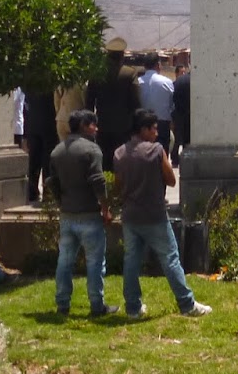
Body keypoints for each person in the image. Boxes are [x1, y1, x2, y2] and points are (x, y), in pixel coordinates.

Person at [115, 109, 211, 318]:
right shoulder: (156, 151)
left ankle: (133, 307)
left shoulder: (119, 153)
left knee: (131, 261)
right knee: (170, 258)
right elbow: (171, 180)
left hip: (130, 215)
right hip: (154, 214)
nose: (156, 134)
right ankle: (187, 304)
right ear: (144, 130)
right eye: (154, 129)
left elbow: (118, 185)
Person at [47, 109, 115, 316]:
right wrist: (105, 207)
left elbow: (52, 182)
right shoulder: (92, 150)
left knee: (64, 262)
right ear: (85, 126)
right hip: (89, 214)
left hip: (67, 214)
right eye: (93, 124)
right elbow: (98, 181)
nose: (96, 128)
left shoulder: (57, 151)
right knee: (95, 262)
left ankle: (62, 304)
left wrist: (61, 202)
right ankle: (97, 305)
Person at [90, 38, 142, 170]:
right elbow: (136, 103)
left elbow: (89, 102)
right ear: (122, 55)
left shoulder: (96, 73)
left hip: (103, 126)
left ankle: (108, 188)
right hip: (124, 128)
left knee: (105, 163)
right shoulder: (129, 73)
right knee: (123, 164)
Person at [137, 53, 176, 162]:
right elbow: (172, 104)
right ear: (158, 65)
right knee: (162, 156)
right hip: (162, 124)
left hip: (142, 124)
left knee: (143, 156)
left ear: (144, 66)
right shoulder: (167, 82)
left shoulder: (138, 82)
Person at [24, 90, 58, 203]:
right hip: (49, 123)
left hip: (33, 123)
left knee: (34, 160)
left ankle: (32, 191)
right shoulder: (51, 85)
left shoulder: (31, 83)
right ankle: (47, 193)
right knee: (47, 160)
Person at [172, 65, 191, 164]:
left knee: (178, 139)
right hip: (190, 117)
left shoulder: (179, 82)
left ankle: (176, 159)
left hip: (179, 116)